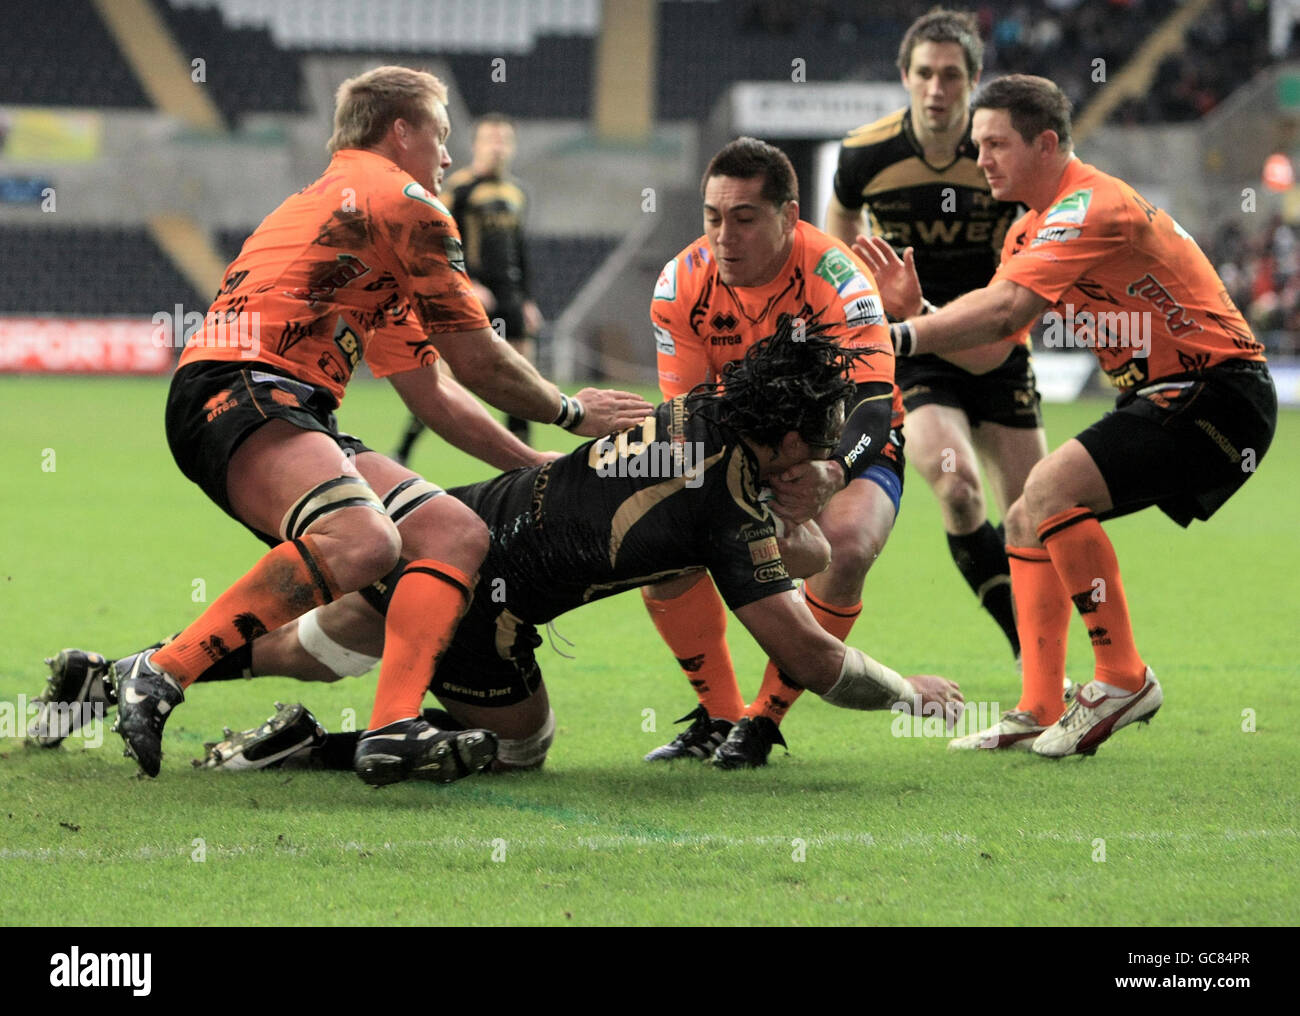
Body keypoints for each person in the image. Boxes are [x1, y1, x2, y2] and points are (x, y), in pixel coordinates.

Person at [31, 324, 965, 772]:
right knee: (524, 747)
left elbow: (782, 552)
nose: (829, 445)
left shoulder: (701, 414)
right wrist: (906, 692)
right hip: (487, 608)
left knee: (308, 647)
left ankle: (116, 675)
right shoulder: (729, 509)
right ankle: (314, 747)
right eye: (821, 434)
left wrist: (799, 505)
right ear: (787, 436)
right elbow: (809, 655)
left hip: (456, 524)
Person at [105, 66, 651, 783]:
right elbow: (477, 358)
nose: (448, 156)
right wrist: (571, 411)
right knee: (364, 541)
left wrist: (527, 463)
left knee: (454, 533)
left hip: (277, 403)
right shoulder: (406, 203)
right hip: (243, 390)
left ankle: (392, 728)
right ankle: (161, 669)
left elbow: (434, 392)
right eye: (441, 135)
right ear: (401, 131)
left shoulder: (350, 219)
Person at [858, 74, 1276, 756]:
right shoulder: (1029, 229)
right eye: (977, 146)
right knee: (1027, 513)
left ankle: (1123, 678)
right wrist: (919, 313)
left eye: (996, 144)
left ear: (1046, 144)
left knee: (1049, 489)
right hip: (1169, 393)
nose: (981, 159)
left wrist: (895, 336)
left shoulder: (1088, 205)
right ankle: (1039, 705)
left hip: (1218, 388)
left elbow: (1003, 311)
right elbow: (993, 347)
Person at [641, 137, 905, 768]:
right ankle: (720, 715)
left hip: (848, 441)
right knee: (662, 547)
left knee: (847, 549)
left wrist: (832, 470)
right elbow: (690, 417)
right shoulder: (681, 282)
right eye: (712, 217)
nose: (723, 237)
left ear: (789, 216)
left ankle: (764, 719)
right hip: (743, 444)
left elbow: (872, 402)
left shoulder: (839, 277)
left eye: (744, 219)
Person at [826, 8, 1044, 668]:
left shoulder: (1004, 154)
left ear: (974, 80)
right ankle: (1031, 654)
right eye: (924, 73)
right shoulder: (864, 154)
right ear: (905, 76)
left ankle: (1055, 658)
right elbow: (838, 231)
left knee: (1037, 519)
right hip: (913, 348)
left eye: (951, 75)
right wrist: (855, 306)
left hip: (996, 340)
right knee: (957, 489)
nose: (936, 88)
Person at [393, 112, 544, 459]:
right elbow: (440, 240)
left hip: (509, 297)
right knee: (446, 379)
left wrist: (527, 299)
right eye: (491, 139)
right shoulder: (459, 189)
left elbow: (520, 248)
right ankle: (403, 450)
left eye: (504, 140)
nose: (498, 147)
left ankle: (530, 465)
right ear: (476, 146)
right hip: (470, 295)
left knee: (524, 379)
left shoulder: (518, 192)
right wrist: (468, 281)